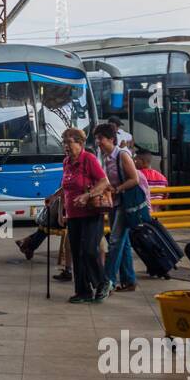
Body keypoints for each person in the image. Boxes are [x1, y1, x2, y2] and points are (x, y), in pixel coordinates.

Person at [61, 127, 110, 303]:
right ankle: (83, 292)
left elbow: (104, 181)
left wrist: (87, 195)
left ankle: (103, 282)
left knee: (89, 250)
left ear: (80, 143)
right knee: (77, 253)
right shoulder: (66, 162)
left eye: (69, 142)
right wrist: (55, 197)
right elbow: (67, 185)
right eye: (64, 142)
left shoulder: (88, 159)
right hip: (73, 214)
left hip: (90, 212)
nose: (65, 146)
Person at [94, 122, 142, 293]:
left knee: (114, 242)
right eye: (97, 139)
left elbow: (134, 179)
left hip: (124, 203)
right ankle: (129, 280)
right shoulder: (105, 157)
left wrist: (118, 189)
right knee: (124, 242)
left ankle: (108, 281)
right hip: (114, 203)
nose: (98, 142)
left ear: (111, 139)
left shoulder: (122, 155)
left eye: (101, 139)